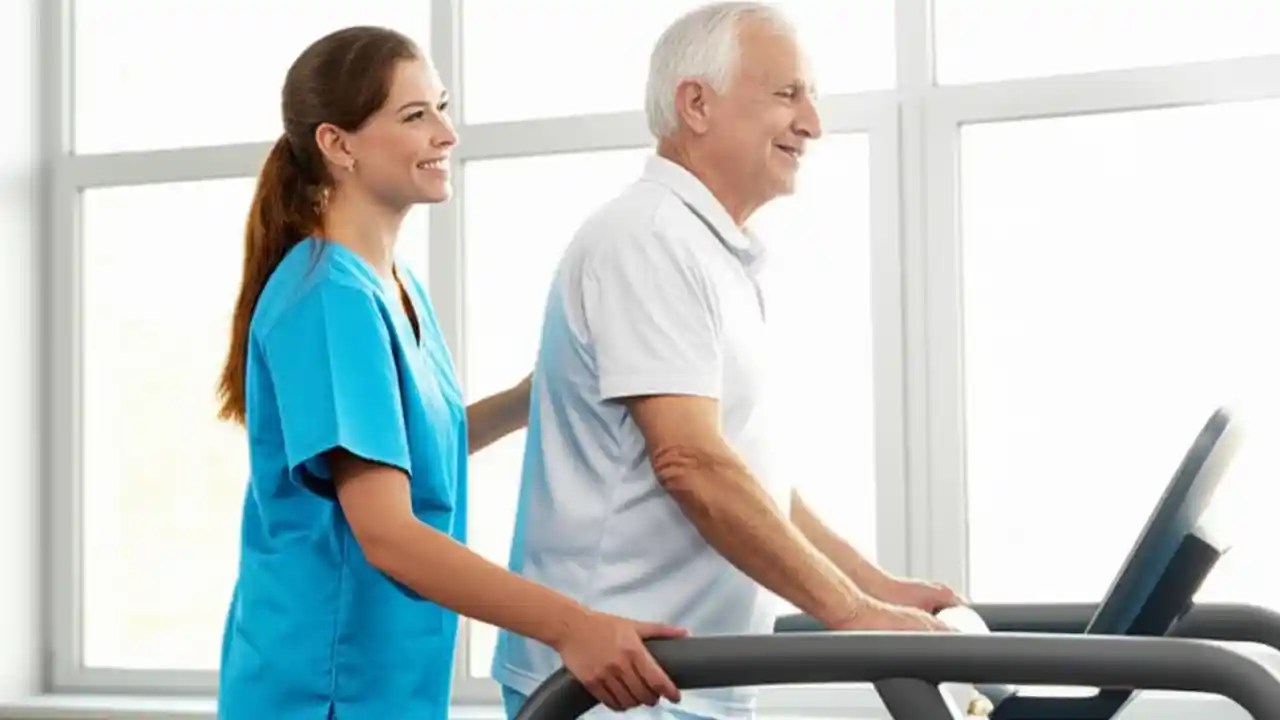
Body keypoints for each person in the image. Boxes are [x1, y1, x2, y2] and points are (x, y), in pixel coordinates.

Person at [493, 4, 963, 718]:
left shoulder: (713, 252)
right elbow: (693, 465)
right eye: (787, 94)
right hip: (615, 688)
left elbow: (749, 475)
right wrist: (852, 613)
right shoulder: (647, 240)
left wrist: (875, 589)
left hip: (685, 683)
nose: (813, 122)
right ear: (696, 104)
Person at [213, 25, 687, 720]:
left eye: (442, 107)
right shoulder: (328, 299)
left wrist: (536, 395)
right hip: (324, 691)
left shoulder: (393, 286)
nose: (447, 133)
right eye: (416, 116)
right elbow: (387, 532)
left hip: (388, 682)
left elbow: (407, 453)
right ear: (337, 145)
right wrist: (572, 626)